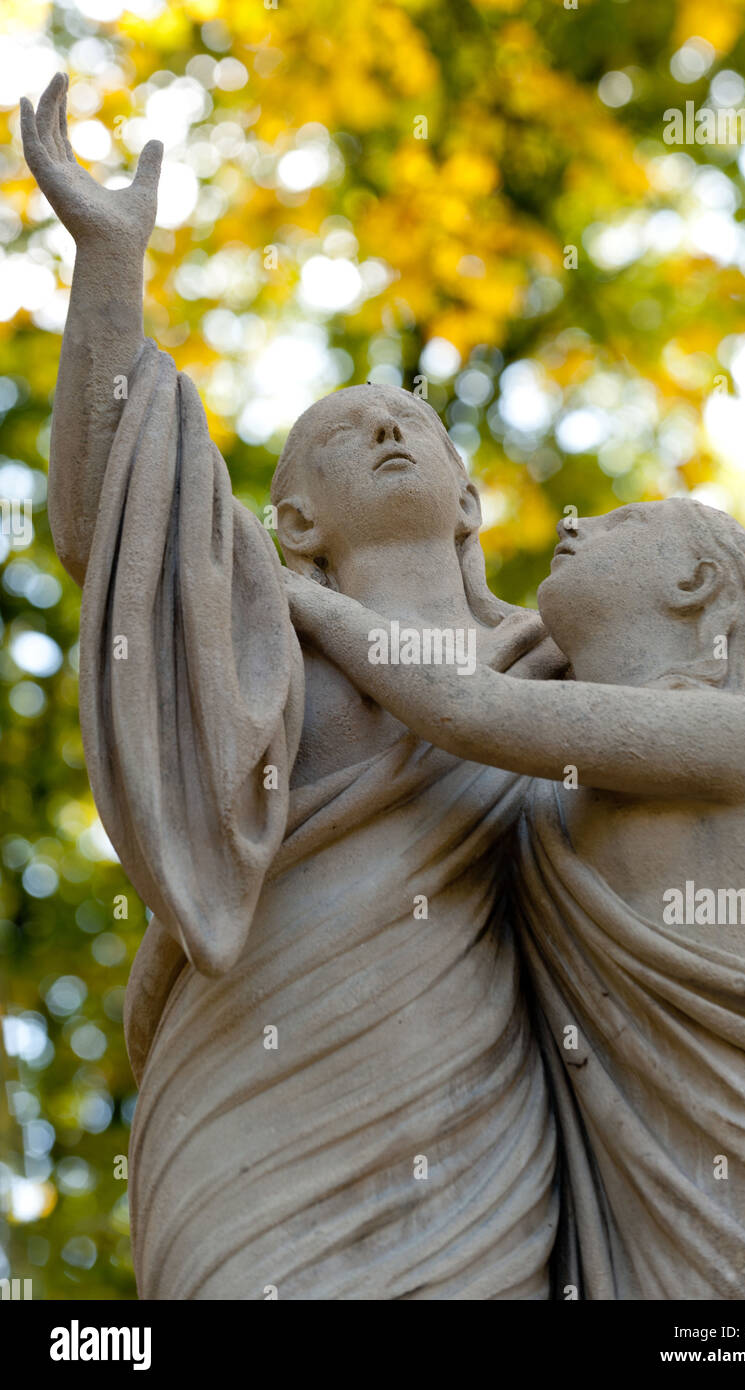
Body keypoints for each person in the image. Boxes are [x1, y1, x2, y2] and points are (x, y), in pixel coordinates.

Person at [20, 73, 561, 1299]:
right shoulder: (257, 631)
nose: (382, 429)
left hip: (471, 1115)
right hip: (250, 1100)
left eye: (408, 421)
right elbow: (106, 518)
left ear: (468, 499)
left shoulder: (550, 664)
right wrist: (110, 261)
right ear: (295, 517)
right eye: (339, 431)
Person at [283, 497, 745, 1298]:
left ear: (694, 581)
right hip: (632, 1201)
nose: (571, 526)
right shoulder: (550, 797)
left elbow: (464, 708)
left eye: (623, 526)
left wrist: (303, 598)